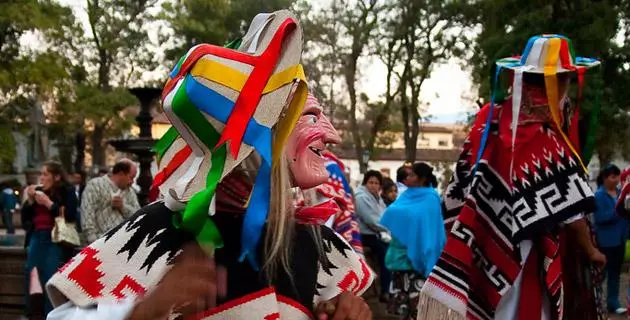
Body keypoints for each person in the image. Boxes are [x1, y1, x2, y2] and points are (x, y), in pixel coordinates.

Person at [46, 10, 373, 320]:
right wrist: (145, 310)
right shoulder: (160, 230)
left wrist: (345, 308)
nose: (332, 135)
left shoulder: (314, 241)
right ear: (262, 131)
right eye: (311, 116)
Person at [418, 35, 607, 320]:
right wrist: (592, 251)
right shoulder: (543, 139)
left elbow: (460, 184)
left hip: (482, 236)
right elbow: (571, 213)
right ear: (559, 84)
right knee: (521, 309)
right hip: (526, 253)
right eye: (567, 79)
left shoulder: (488, 118)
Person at [381, 162, 445, 319]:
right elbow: (392, 213)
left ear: (422, 179)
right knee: (401, 310)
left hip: (419, 260)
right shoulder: (406, 195)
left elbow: (430, 230)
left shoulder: (431, 198)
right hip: (400, 259)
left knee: (419, 310)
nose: (407, 178)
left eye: (412, 175)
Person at [20, 161, 77, 316]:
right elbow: (25, 218)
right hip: (37, 237)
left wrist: (48, 203)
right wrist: (30, 201)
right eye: (41, 174)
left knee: (50, 280)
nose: (41, 178)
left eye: (45, 174)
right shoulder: (37, 191)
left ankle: (52, 315)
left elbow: (71, 215)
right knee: (30, 276)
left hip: (55, 240)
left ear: (56, 177)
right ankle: (30, 314)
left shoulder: (67, 191)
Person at [80, 159, 141, 244]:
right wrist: (93, 241)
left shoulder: (130, 192)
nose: (132, 182)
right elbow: (87, 215)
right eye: (131, 177)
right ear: (121, 174)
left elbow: (138, 217)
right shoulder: (95, 185)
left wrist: (122, 207)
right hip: (100, 242)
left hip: (125, 243)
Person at [594, 164, 626, 314]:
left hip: (620, 239)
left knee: (615, 273)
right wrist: (618, 211)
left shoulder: (621, 192)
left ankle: (613, 302)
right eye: (613, 177)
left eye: (617, 176)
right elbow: (600, 218)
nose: (616, 180)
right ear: (605, 178)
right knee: (602, 273)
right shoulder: (599, 195)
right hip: (606, 241)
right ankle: (596, 302)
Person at [355, 169, 391, 301]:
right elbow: (371, 221)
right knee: (386, 254)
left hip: (379, 232)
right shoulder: (361, 198)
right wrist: (388, 228)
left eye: (376, 183)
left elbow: (385, 215)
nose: (374, 185)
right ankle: (385, 291)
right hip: (366, 235)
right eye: (371, 182)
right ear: (365, 183)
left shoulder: (377, 198)